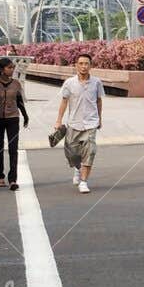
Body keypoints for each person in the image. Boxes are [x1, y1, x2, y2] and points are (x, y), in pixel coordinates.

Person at [55, 53, 102, 194]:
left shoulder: (97, 82)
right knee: (72, 154)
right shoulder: (69, 83)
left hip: (91, 123)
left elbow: (99, 101)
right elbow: (64, 101)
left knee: (90, 152)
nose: (83, 66)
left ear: (90, 66)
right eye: (81, 63)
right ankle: (77, 168)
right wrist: (58, 120)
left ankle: (84, 181)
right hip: (73, 123)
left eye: (86, 63)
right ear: (76, 65)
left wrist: (100, 118)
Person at [0, 57, 29, 190]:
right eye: (9, 67)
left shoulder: (16, 84)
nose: (12, 69)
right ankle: (0, 176)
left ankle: (13, 179)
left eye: (12, 67)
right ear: (1, 70)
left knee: (13, 148)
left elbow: (20, 102)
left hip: (13, 119)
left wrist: (25, 116)